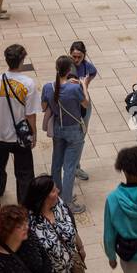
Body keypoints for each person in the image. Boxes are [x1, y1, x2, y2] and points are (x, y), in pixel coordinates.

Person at [0, 44, 37, 205]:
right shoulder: (28, 84)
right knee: (24, 172)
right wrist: (33, 133)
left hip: (0, 134)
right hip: (20, 136)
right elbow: (30, 114)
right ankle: (24, 203)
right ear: (22, 60)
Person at [42, 55, 89, 214]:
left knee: (56, 163)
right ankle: (68, 203)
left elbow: (43, 107)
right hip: (73, 129)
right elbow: (85, 103)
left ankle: (57, 196)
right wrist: (83, 85)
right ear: (69, 70)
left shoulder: (48, 87)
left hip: (57, 128)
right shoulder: (74, 88)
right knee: (69, 167)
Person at [24, 174, 84, 273]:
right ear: (43, 197)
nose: (58, 191)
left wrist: (80, 247)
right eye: (53, 190)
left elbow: (71, 226)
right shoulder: (30, 223)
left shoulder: (59, 205)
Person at [67, 41, 98, 181]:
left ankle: (76, 167)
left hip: (84, 104)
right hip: (70, 106)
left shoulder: (87, 66)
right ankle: (69, 166)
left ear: (84, 55)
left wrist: (85, 84)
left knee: (81, 136)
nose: (76, 60)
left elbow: (93, 72)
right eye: (74, 56)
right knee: (70, 138)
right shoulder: (66, 66)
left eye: (79, 57)